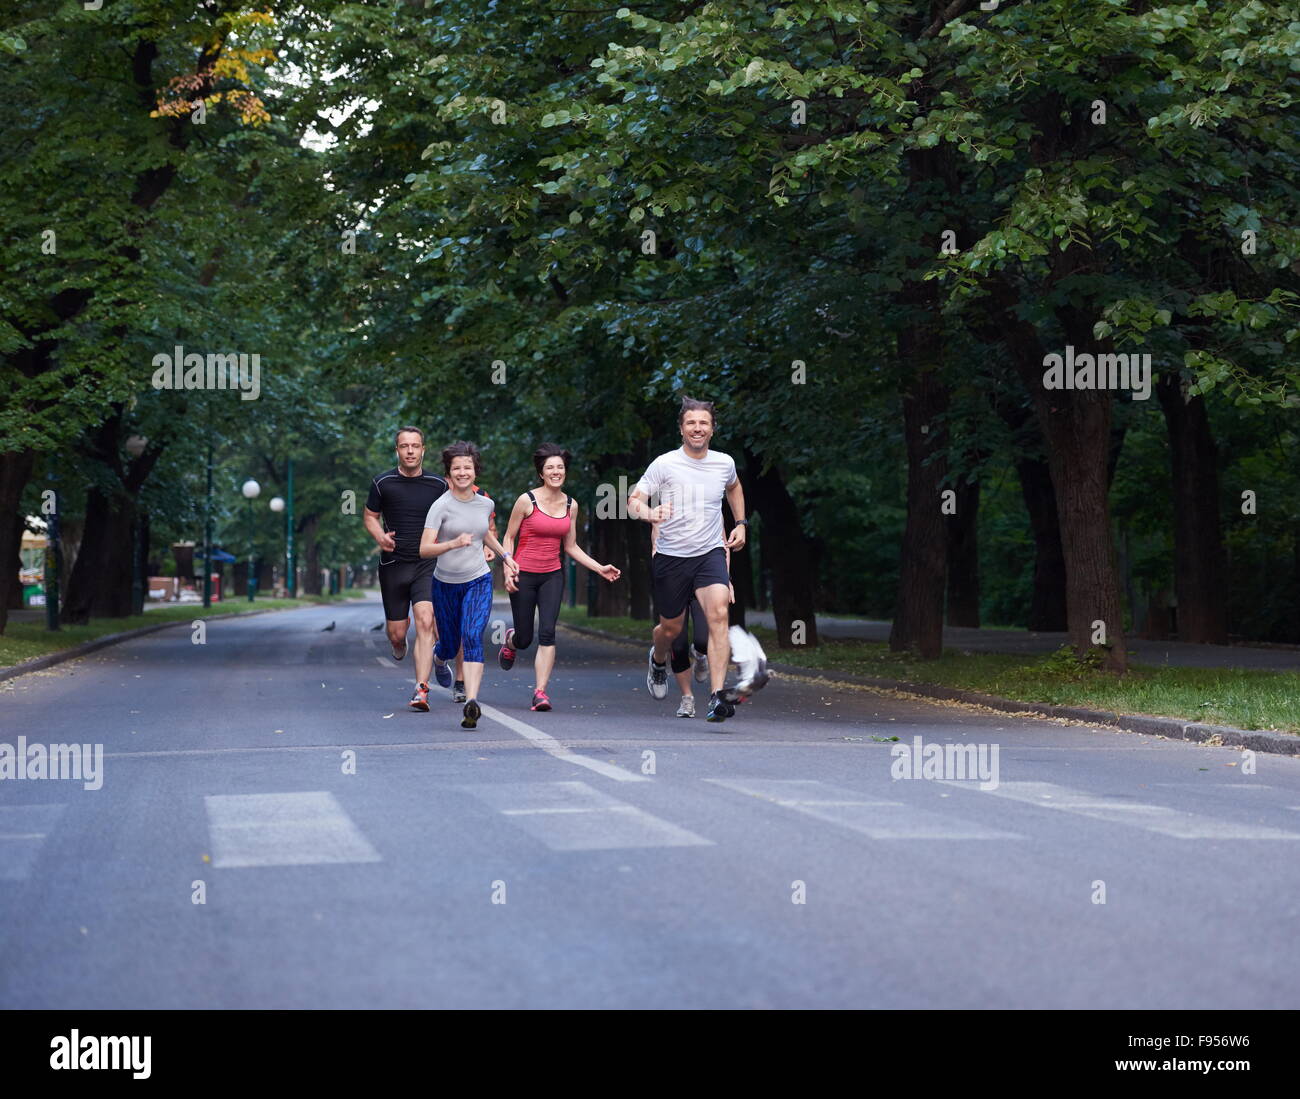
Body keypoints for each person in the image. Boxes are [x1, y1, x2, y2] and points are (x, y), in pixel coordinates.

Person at [628, 397, 759, 724]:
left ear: (712, 428)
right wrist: (649, 513)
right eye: (691, 423)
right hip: (672, 558)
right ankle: (658, 659)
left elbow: (735, 488)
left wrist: (741, 524)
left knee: (718, 616)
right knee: (670, 629)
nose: (697, 428)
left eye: (703, 423)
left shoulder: (724, 463)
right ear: (681, 428)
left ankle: (717, 696)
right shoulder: (664, 464)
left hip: (710, 553)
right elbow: (633, 501)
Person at [497, 443, 621, 711]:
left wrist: (599, 567)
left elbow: (571, 546)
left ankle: (540, 692)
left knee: (548, 632)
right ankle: (511, 640)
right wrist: (508, 567)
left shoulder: (570, 504)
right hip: (524, 573)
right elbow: (508, 537)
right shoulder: (526, 501)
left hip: (552, 574)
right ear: (541, 473)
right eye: (550, 468)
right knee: (525, 637)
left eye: (560, 467)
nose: (556, 472)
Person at [364, 427, 471, 712]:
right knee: (397, 634)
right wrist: (379, 536)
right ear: (397, 450)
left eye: (415, 446)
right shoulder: (382, 483)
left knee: (426, 621)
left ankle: (421, 689)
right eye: (404, 446)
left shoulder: (438, 485)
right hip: (394, 565)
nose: (410, 451)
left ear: (423, 449)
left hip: (428, 564)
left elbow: (456, 515)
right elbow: (370, 517)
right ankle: (399, 641)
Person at [419, 441, 519, 729]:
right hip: (446, 584)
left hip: (478, 578)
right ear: (449, 473)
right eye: (457, 468)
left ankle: (471, 702)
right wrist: (452, 543)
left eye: (468, 467)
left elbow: (484, 534)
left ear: (475, 471)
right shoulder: (440, 506)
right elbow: (425, 549)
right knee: (450, 644)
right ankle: (440, 659)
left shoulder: (486, 503)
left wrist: (505, 556)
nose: (463, 472)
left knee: (473, 635)